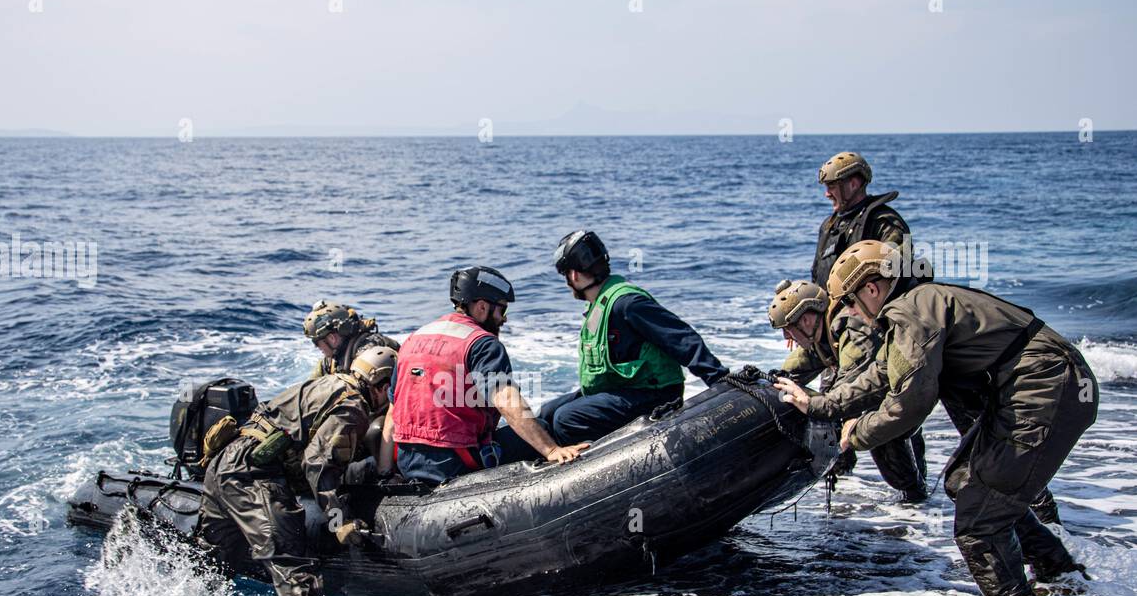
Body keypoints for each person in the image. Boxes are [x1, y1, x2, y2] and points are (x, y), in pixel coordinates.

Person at [774, 240, 1097, 596]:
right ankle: (1058, 571)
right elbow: (879, 375)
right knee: (965, 484)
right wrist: (819, 404)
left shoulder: (909, 311)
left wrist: (856, 433)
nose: (851, 312)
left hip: (1045, 387)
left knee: (979, 518)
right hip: (1050, 383)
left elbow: (910, 403)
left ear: (872, 288)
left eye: (851, 302)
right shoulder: (914, 305)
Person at [200, 345, 398, 596]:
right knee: (292, 564)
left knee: (213, 559)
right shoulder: (352, 406)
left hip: (223, 466)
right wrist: (339, 520)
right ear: (382, 386)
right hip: (253, 475)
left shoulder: (329, 383)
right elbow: (318, 463)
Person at [380, 266, 588, 484]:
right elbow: (506, 400)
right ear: (481, 307)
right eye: (502, 311)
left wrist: (384, 472)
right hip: (455, 462)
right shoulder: (483, 344)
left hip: (407, 460)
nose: (504, 319)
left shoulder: (413, 339)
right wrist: (552, 450)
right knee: (543, 428)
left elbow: (392, 413)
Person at [807, 152, 927, 497]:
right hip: (837, 332)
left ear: (855, 182)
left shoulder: (885, 221)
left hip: (874, 332)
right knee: (833, 402)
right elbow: (821, 278)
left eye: (832, 186)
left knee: (879, 411)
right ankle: (839, 482)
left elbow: (895, 273)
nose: (827, 193)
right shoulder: (830, 226)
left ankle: (912, 496)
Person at [539, 230, 728, 445]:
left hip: (656, 394)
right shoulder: (599, 304)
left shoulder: (626, 302)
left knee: (567, 419)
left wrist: (719, 380)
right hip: (624, 388)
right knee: (548, 412)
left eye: (565, 276)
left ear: (573, 275)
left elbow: (680, 337)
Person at [769, 278, 928, 502]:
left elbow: (849, 391)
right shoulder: (821, 332)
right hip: (878, 388)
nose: (787, 338)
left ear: (805, 320)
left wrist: (816, 407)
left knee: (891, 454)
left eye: (788, 330)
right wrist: (772, 381)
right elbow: (800, 365)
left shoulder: (852, 329)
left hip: (895, 394)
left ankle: (915, 501)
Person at [303, 301, 400, 379]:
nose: (316, 346)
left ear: (332, 338)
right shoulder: (329, 362)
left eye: (316, 342)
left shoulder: (369, 355)